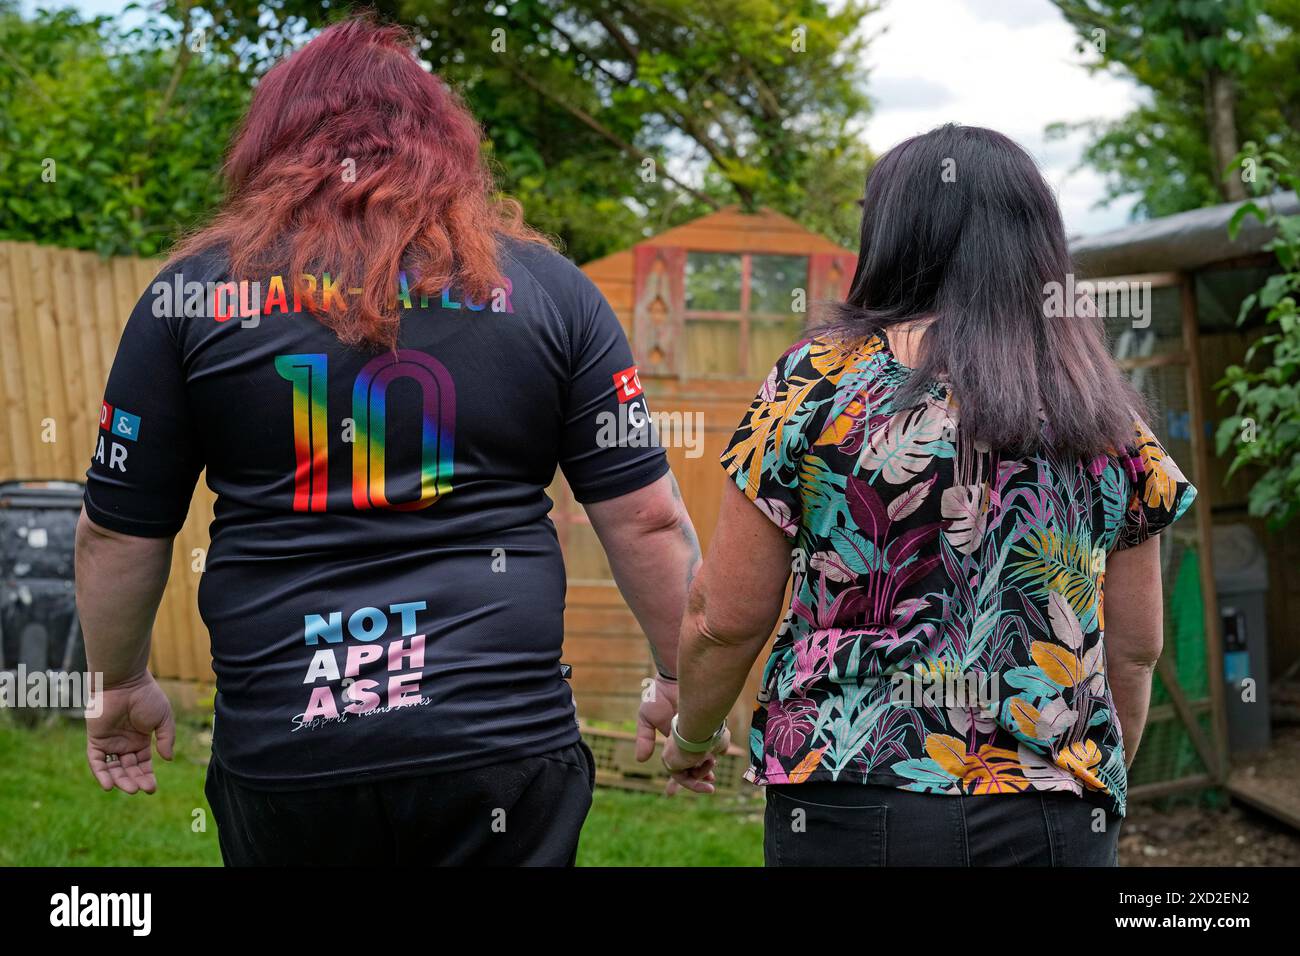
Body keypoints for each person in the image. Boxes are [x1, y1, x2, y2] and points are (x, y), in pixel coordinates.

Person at [76, 17, 699, 867]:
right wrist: (683, 684)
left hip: (289, 752)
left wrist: (117, 682)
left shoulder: (193, 298)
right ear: (445, 142)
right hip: (498, 750)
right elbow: (648, 521)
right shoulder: (552, 293)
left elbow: (116, 527)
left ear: (276, 139)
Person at [662, 124, 1196, 866]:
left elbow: (721, 617)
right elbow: (1135, 650)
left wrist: (691, 734)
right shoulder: (1103, 410)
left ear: (893, 236)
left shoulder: (817, 383)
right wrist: (1096, 780)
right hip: (1053, 809)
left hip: (852, 793)